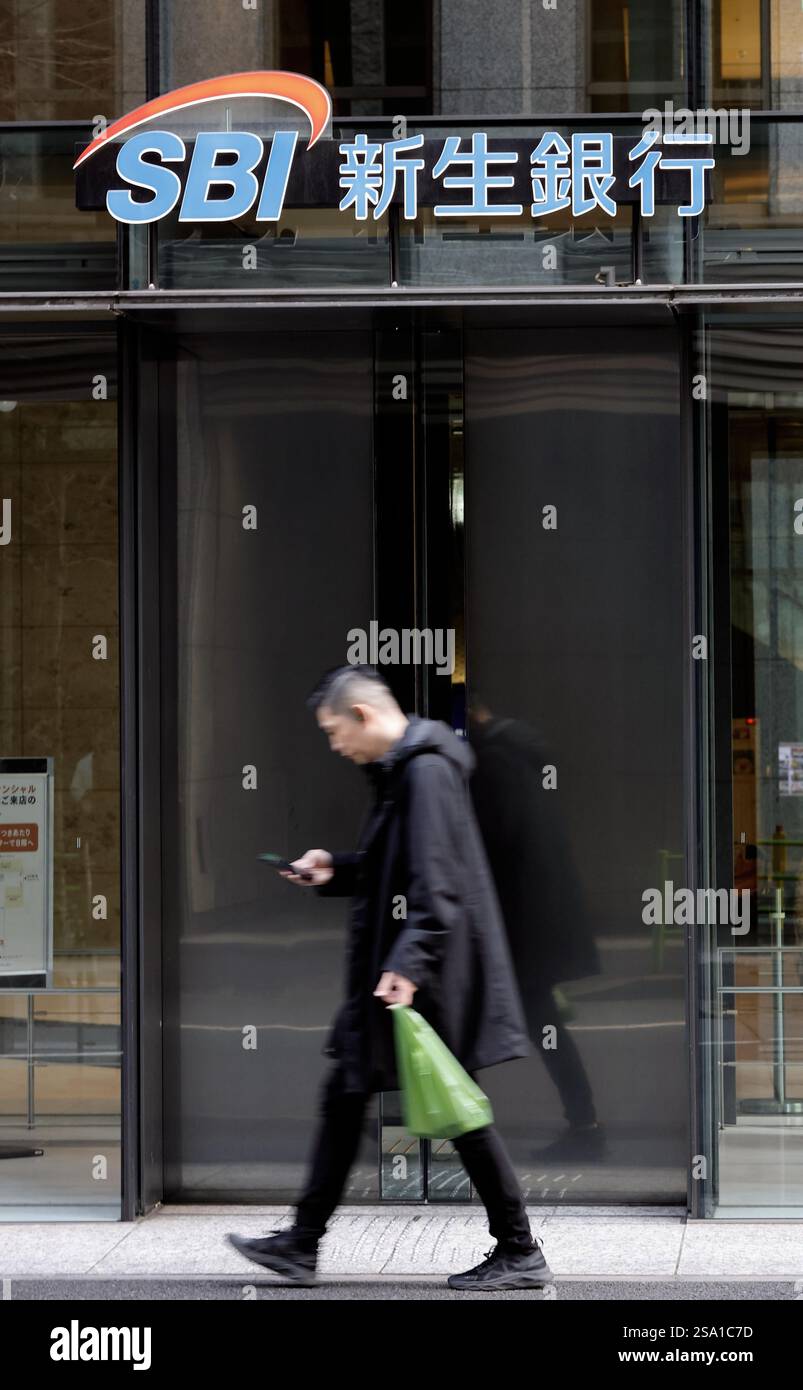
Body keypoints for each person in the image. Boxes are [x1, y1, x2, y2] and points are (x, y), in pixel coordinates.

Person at [228, 664, 554, 1291]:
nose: (333, 745)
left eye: (332, 731)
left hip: (419, 975)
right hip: (404, 969)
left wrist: (409, 963)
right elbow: (393, 870)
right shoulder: (406, 771)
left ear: (362, 716)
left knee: (456, 1111)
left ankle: (519, 1250)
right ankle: (302, 1243)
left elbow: (439, 884)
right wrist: (335, 869)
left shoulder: (426, 772)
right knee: (350, 1093)